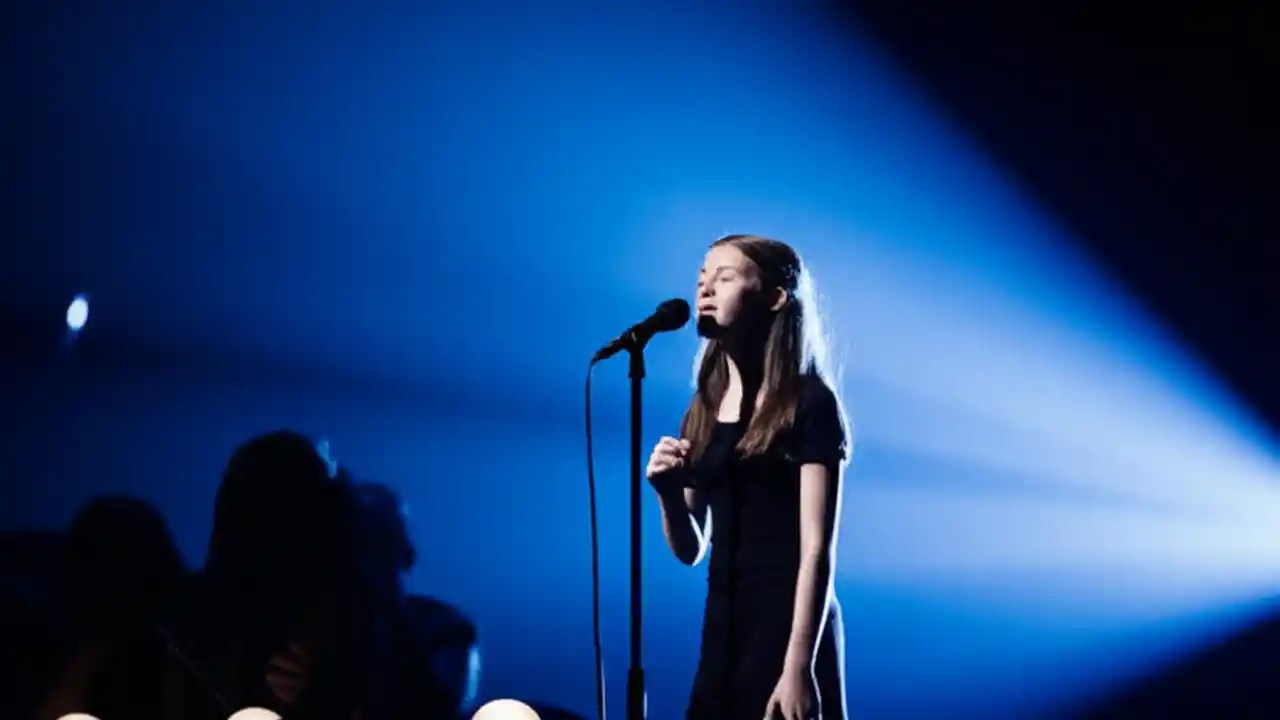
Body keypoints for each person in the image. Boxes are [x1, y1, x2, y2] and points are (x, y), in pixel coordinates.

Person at [647, 235, 851, 720]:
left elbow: (816, 549)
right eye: (702, 280)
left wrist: (798, 665)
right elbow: (692, 550)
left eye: (725, 278)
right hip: (725, 624)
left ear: (776, 298)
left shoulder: (808, 403)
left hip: (791, 624)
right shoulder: (704, 407)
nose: (705, 291)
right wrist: (670, 497)